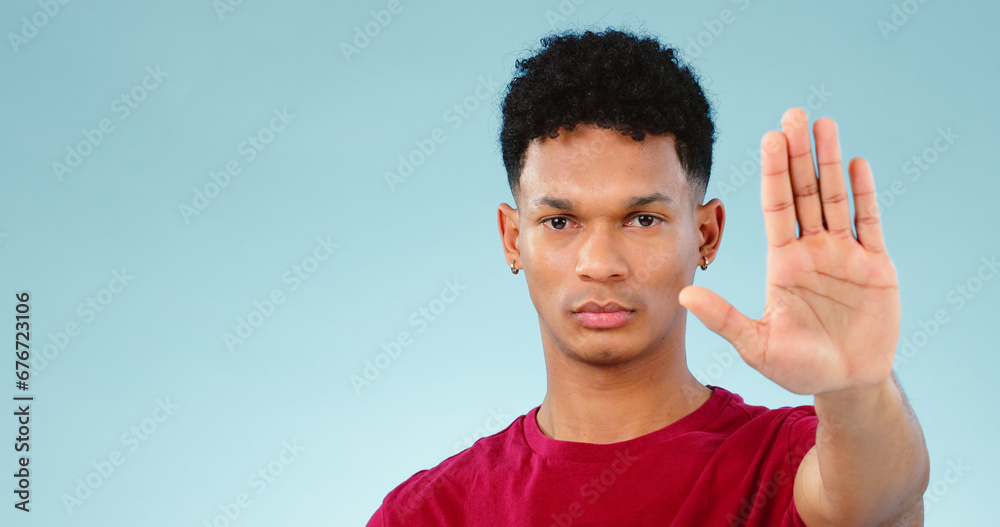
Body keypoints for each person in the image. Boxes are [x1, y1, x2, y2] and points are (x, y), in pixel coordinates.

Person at [366, 29, 929, 526]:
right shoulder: (429, 514)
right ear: (514, 238)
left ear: (706, 234)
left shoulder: (787, 461)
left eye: (642, 219)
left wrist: (856, 386)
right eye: (559, 221)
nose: (601, 262)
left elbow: (879, 500)